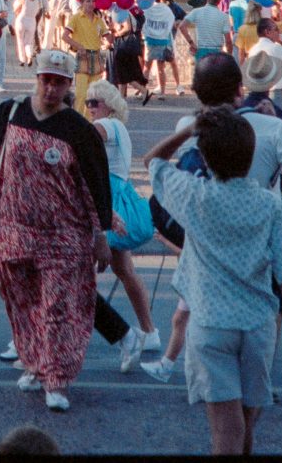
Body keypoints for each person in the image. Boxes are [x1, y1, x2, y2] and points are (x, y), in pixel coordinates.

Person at [142, 109, 282, 456]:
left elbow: (152, 162)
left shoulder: (194, 196)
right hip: (257, 325)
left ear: (204, 156)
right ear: (251, 155)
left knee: (224, 423)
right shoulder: (269, 204)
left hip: (210, 323)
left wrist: (187, 131)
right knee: (246, 419)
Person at [142, 53, 282, 382]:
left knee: (217, 387)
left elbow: (153, 164)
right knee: (256, 364)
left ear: (197, 92)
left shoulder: (189, 128)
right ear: (240, 88)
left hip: (206, 261)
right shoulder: (271, 127)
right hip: (257, 253)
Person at [0, 48, 113, 413]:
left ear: (69, 86)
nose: (51, 89)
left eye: (59, 83)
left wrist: (100, 237)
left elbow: (94, 187)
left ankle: (57, 379)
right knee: (23, 304)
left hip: (63, 237)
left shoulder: (79, 131)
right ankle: (35, 362)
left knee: (58, 308)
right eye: (46, 80)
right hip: (14, 231)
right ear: (37, 79)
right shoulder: (11, 113)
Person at [83, 80, 160, 372]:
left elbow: (85, 138)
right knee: (124, 270)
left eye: (95, 102)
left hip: (107, 198)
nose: (90, 107)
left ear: (110, 106)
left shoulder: (109, 126)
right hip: (118, 195)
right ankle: (148, 332)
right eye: (88, 101)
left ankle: (116, 333)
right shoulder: (118, 128)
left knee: (79, 270)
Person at [141, 0, 181, 97]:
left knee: (147, 67)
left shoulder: (148, 8)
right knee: (160, 68)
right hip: (162, 39)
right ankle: (162, 92)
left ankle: (143, 90)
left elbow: (142, 22)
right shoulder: (167, 9)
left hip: (150, 39)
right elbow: (172, 23)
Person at [180, 0, 232, 64]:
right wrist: (229, 56)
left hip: (201, 51)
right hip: (217, 52)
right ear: (219, 1)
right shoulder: (224, 16)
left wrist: (191, 42)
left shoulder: (196, 12)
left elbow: (182, 26)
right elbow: (228, 41)